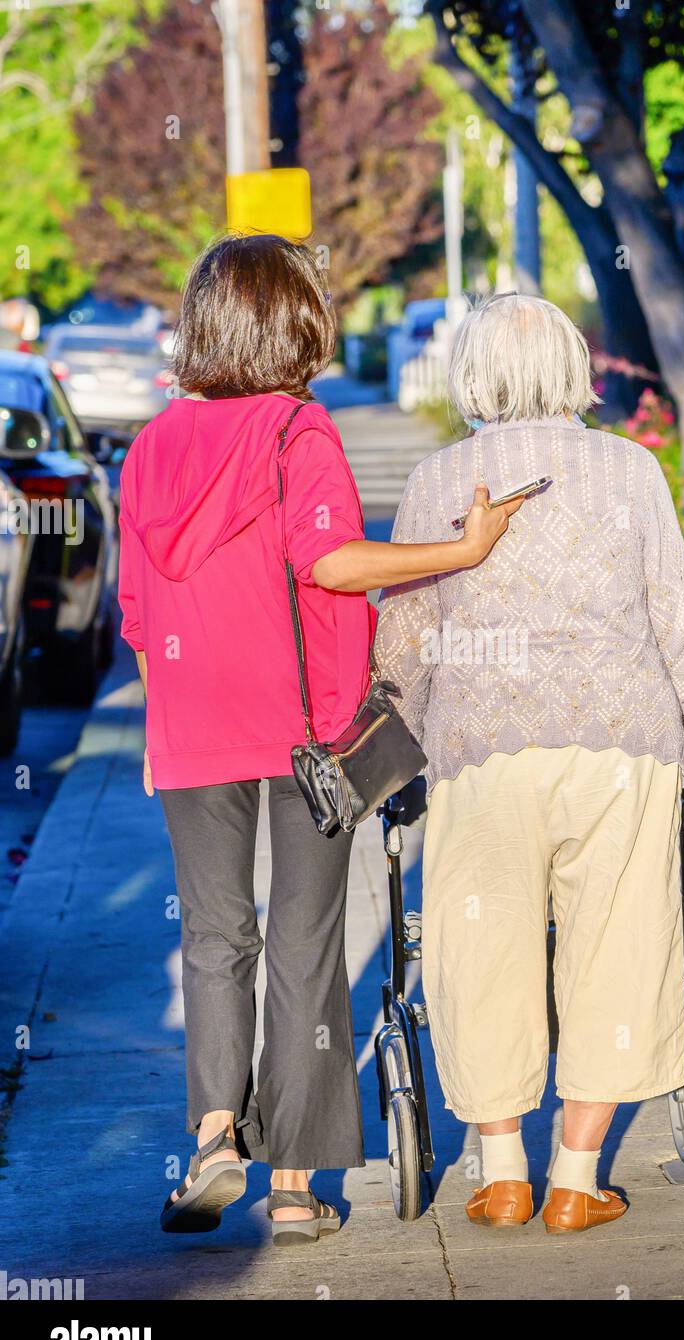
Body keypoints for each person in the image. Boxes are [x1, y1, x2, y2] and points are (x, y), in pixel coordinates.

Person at [118, 235, 522, 1245]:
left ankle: (216, 1139)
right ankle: (294, 1188)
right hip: (309, 730)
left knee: (214, 940)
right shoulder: (300, 431)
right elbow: (333, 562)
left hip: (192, 722)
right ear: (294, 320)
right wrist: (461, 550)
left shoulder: (150, 446)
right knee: (306, 946)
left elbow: (133, 610)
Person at [375, 292, 684, 1234]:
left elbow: (405, 633)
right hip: (621, 741)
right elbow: (674, 614)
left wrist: (393, 738)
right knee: (619, 943)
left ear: (475, 376)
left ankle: (500, 1176)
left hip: (482, 746)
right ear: (574, 369)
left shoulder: (440, 475)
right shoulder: (630, 470)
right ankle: (575, 1179)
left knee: (480, 947)